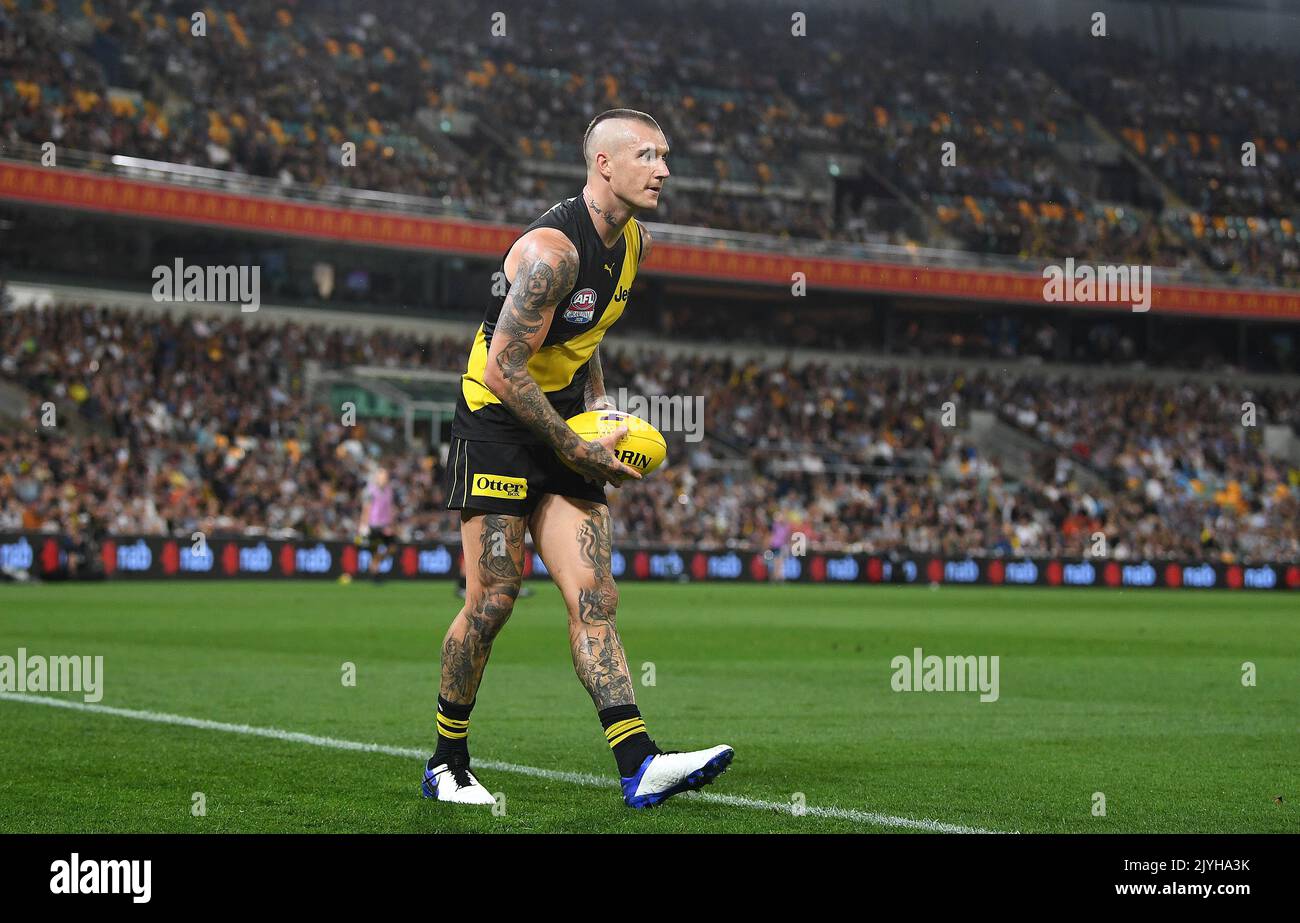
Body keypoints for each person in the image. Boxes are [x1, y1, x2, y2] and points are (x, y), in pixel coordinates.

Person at [424, 109, 733, 808]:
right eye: (648, 156)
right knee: (495, 597)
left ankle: (639, 761)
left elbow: (586, 337)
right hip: (497, 419)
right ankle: (446, 761)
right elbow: (505, 367)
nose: (664, 170)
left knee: (595, 595)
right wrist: (572, 442)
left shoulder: (635, 245)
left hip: (565, 417)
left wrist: (600, 416)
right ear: (604, 165)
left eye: (665, 156)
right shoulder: (550, 253)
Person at [357, 466, 395, 583]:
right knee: (375, 549)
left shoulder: (389, 491)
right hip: (374, 524)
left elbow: (390, 509)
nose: (384, 478)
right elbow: (366, 508)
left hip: (385, 524)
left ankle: (374, 568)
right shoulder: (370, 490)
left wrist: (392, 524)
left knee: (391, 548)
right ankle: (374, 573)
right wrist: (363, 525)